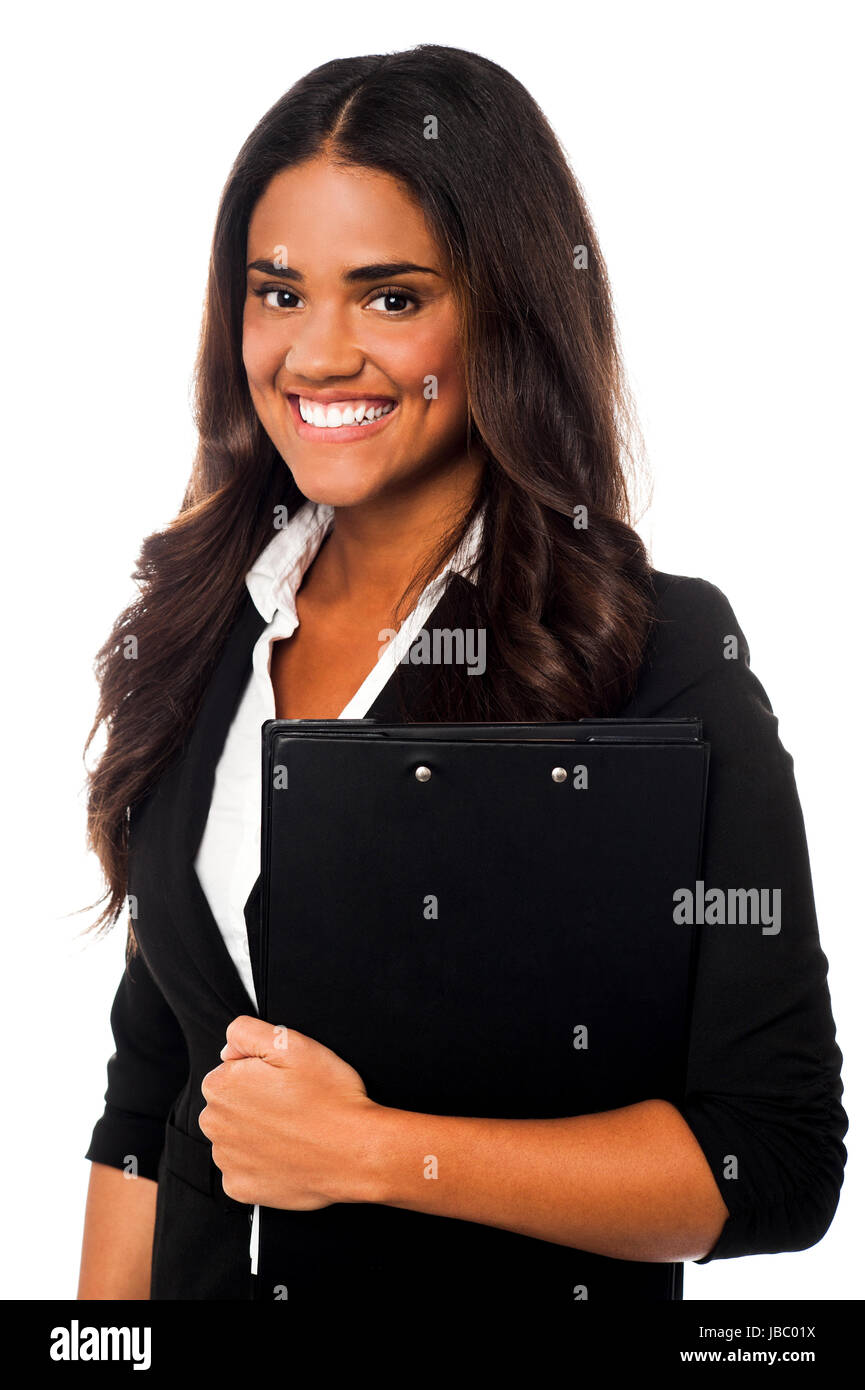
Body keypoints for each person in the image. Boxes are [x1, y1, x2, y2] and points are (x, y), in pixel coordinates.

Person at [77, 44, 847, 1304]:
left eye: (389, 297)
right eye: (279, 293)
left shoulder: (654, 663)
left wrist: (377, 1154)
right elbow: (151, 1086)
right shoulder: (208, 629)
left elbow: (770, 1159)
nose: (318, 353)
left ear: (506, 309)